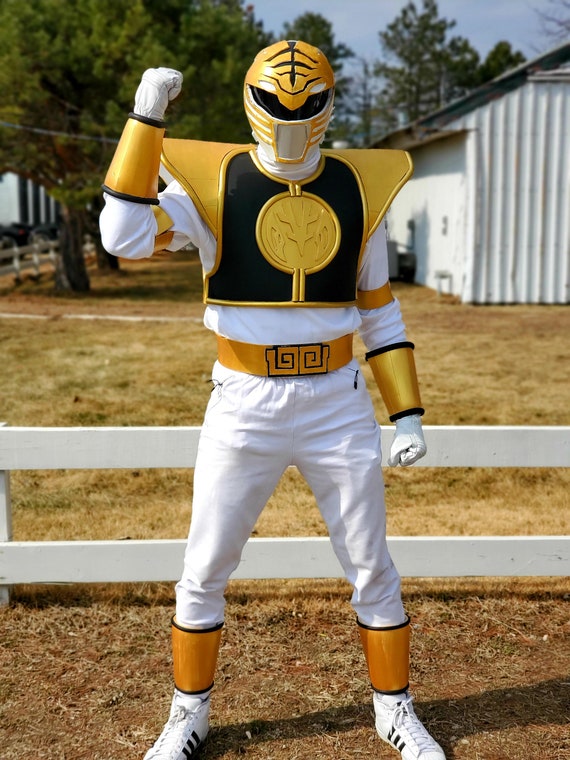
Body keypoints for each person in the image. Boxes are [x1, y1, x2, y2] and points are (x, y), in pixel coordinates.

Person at [100, 40, 446, 760]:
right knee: (205, 566)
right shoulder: (213, 183)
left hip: (336, 400)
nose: (291, 116)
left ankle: (395, 709)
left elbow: (379, 309)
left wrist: (407, 411)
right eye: (276, 100)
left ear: (328, 104)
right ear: (251, 100)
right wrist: (145, 119)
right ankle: (187, 715)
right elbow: (122, 235)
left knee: (371, 564)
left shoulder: (360, 189)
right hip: (243, 399)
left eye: (307, 101)